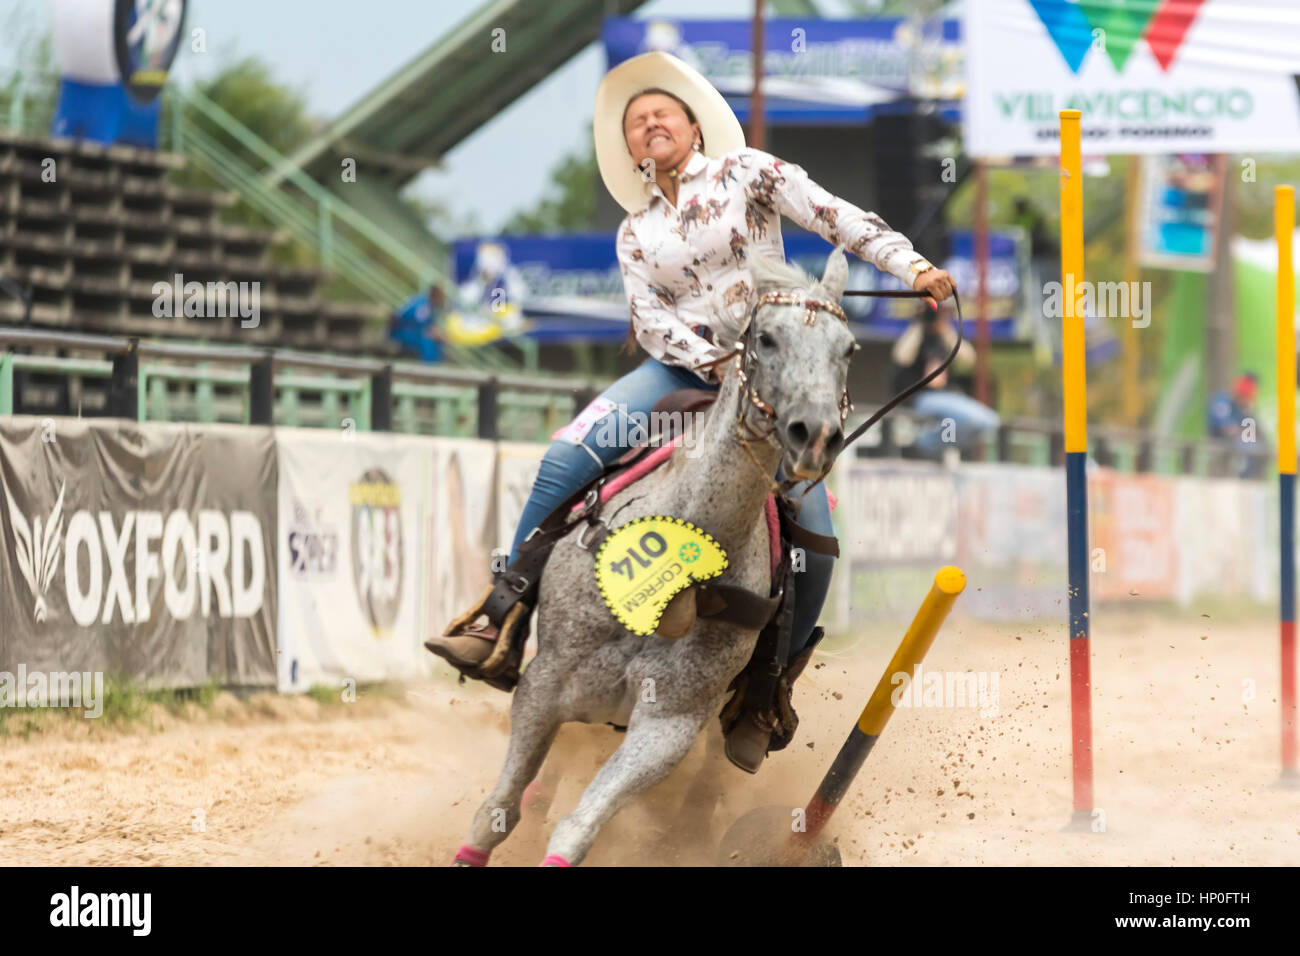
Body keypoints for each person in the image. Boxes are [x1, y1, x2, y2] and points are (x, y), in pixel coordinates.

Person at [425, 51, 957, 769]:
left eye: (660, 114)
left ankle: (767, 687)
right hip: (680, 370)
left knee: (817, 538)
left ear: (693, 127)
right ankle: (502, 614)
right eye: (636, 123)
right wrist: (714, 360)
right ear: (632, 150)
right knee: (563, 456)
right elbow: (648, 320)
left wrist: (912, 266)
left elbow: (835, 216)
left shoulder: (751, 174)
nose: (649, 125)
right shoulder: (633, 231)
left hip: (771, 378)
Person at [891, 300, 999, 457]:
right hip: (921, 398)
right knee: (980, 421)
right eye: (935, 310)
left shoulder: (947, 336)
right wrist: (920, 323)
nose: (936, 314)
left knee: (985, 423)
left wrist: (945, 328)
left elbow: (969, 360)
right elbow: (900, 357)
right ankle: (922, 443)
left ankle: (926, 444)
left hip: (948, 397)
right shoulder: (916, 334)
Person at [1208, 372, 1267, 478]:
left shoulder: (1242, 408)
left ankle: (1250, 478)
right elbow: (1227, 430)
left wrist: (1248, 412)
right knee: (1251, 447)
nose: (1246, 400)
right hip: (1220, 440)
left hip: (1239, 442)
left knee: (1260, 447)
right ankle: (1243, 478)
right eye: (1244, 396)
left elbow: (1256, 431)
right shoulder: (1222, 401)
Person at [388, 285, 445, 362]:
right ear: (435, 295)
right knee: (426, 340)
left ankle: (435, 366)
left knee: (437, 341)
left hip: (412, 332)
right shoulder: (423, 305)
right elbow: (420, 325)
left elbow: (429, 326)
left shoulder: (429, 305)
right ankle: (429, 367)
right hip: (401, 332)